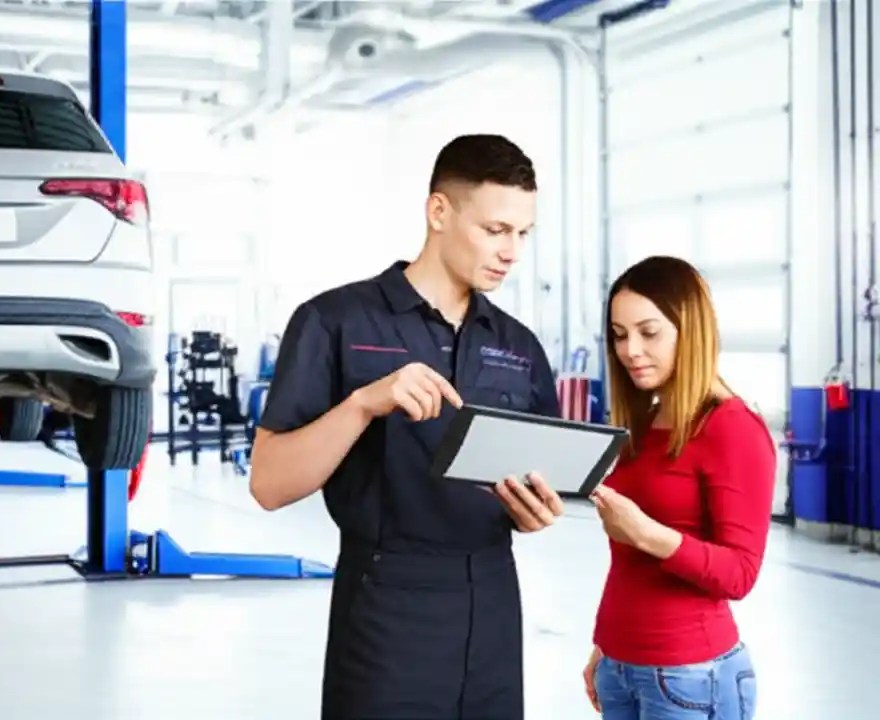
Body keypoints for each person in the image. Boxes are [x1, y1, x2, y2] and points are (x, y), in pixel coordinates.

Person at [249, 134, 565, 720]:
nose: (512, 251)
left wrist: (537, 510)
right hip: (385, 606)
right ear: (438, 212)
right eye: (495, 230)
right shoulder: (334, 321)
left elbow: (540, 477)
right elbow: (269, 484)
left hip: (494, 601)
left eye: (523, 234)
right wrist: (362, 405)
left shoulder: (519, 347)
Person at [581, 255, 776, 719]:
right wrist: (604, 646)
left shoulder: (732, 428)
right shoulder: (645, 423)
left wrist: (647, 533)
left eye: (649, 332)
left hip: (691, 674)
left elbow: (739, 573)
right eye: (619, 333)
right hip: (619, 665)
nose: (630, 349)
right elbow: (628, 565)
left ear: (690, 331)